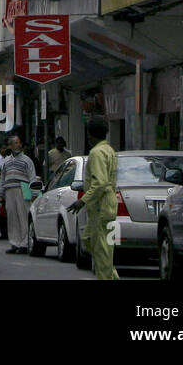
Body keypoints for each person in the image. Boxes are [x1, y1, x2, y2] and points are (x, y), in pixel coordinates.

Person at [67, 117, 118, 280]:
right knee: (91, 240)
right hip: (108, 205)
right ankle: (111, 275)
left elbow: (100, 183)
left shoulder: (96, 153)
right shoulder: (109, 150)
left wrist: (82, 200)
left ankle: (108, 276)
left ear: (89, 135)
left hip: (100, 206)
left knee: (102, 250)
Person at [1, 135, 35, 253]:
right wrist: (1, 194)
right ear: (10, 146)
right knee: (12, 217)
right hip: (9, 190)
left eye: (19, 142)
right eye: (15, 143)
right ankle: (14, 243)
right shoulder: (6, 161)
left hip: (23, 189)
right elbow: (2, 178)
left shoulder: (27, 160)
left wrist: (34, 193)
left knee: (23, 216)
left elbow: (32, 177)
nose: (18, 145)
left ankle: (24, 244)